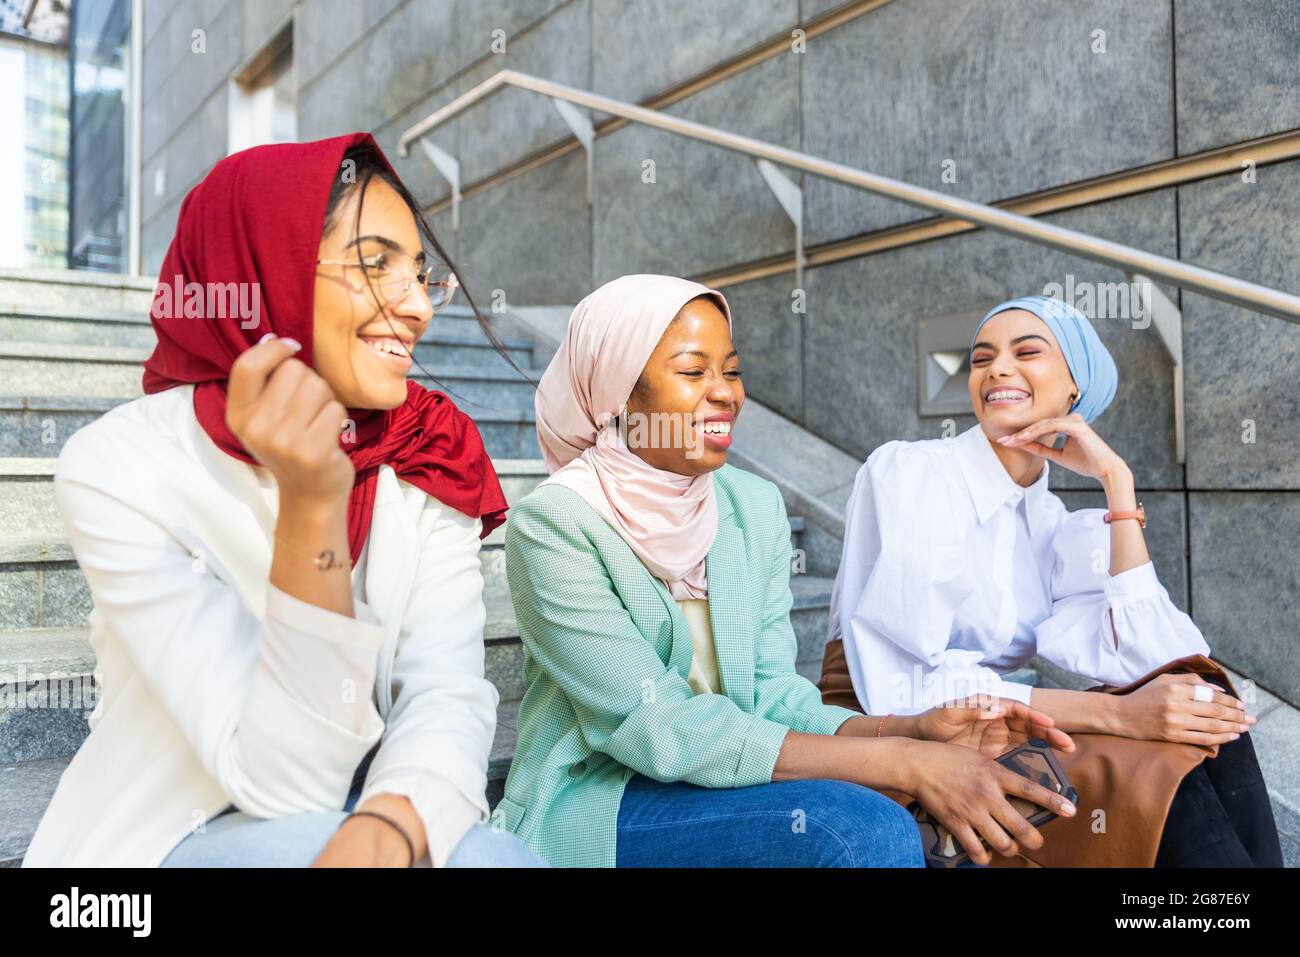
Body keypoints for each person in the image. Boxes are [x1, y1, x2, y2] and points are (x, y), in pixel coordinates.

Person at [23, 133, 544, 868]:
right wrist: (312, 508)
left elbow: (446, 691)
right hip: (167, 838)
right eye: (375, 265)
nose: (417, 307)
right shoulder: (121, 466)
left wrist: (396, 820)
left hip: (368, 812)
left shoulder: (426, 447)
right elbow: (286, 783)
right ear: (265, 261)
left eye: (421, 275)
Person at [496, 275, 1077, 868]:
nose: (726, 393)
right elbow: (656, 726)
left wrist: (909, 731)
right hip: (605, 799)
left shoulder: (750, 505)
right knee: (856, 829)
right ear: (619, 392)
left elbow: (774, 693)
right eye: (694, 373)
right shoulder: (556, 522)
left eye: (732, 370)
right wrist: (901, 763)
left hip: (735, 781)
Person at [818, 294, 1283, 867]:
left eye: (1027, 351)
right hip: (889, 732)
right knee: (1149, 766)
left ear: (1074, 391)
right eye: (982, 358)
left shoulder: (1049, 522)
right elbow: (904, 683)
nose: (997, 369)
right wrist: (1117, 716)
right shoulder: (914, 473)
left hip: (989, 727)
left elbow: (1159, 660)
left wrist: (1117, 483)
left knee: (1206, 714)